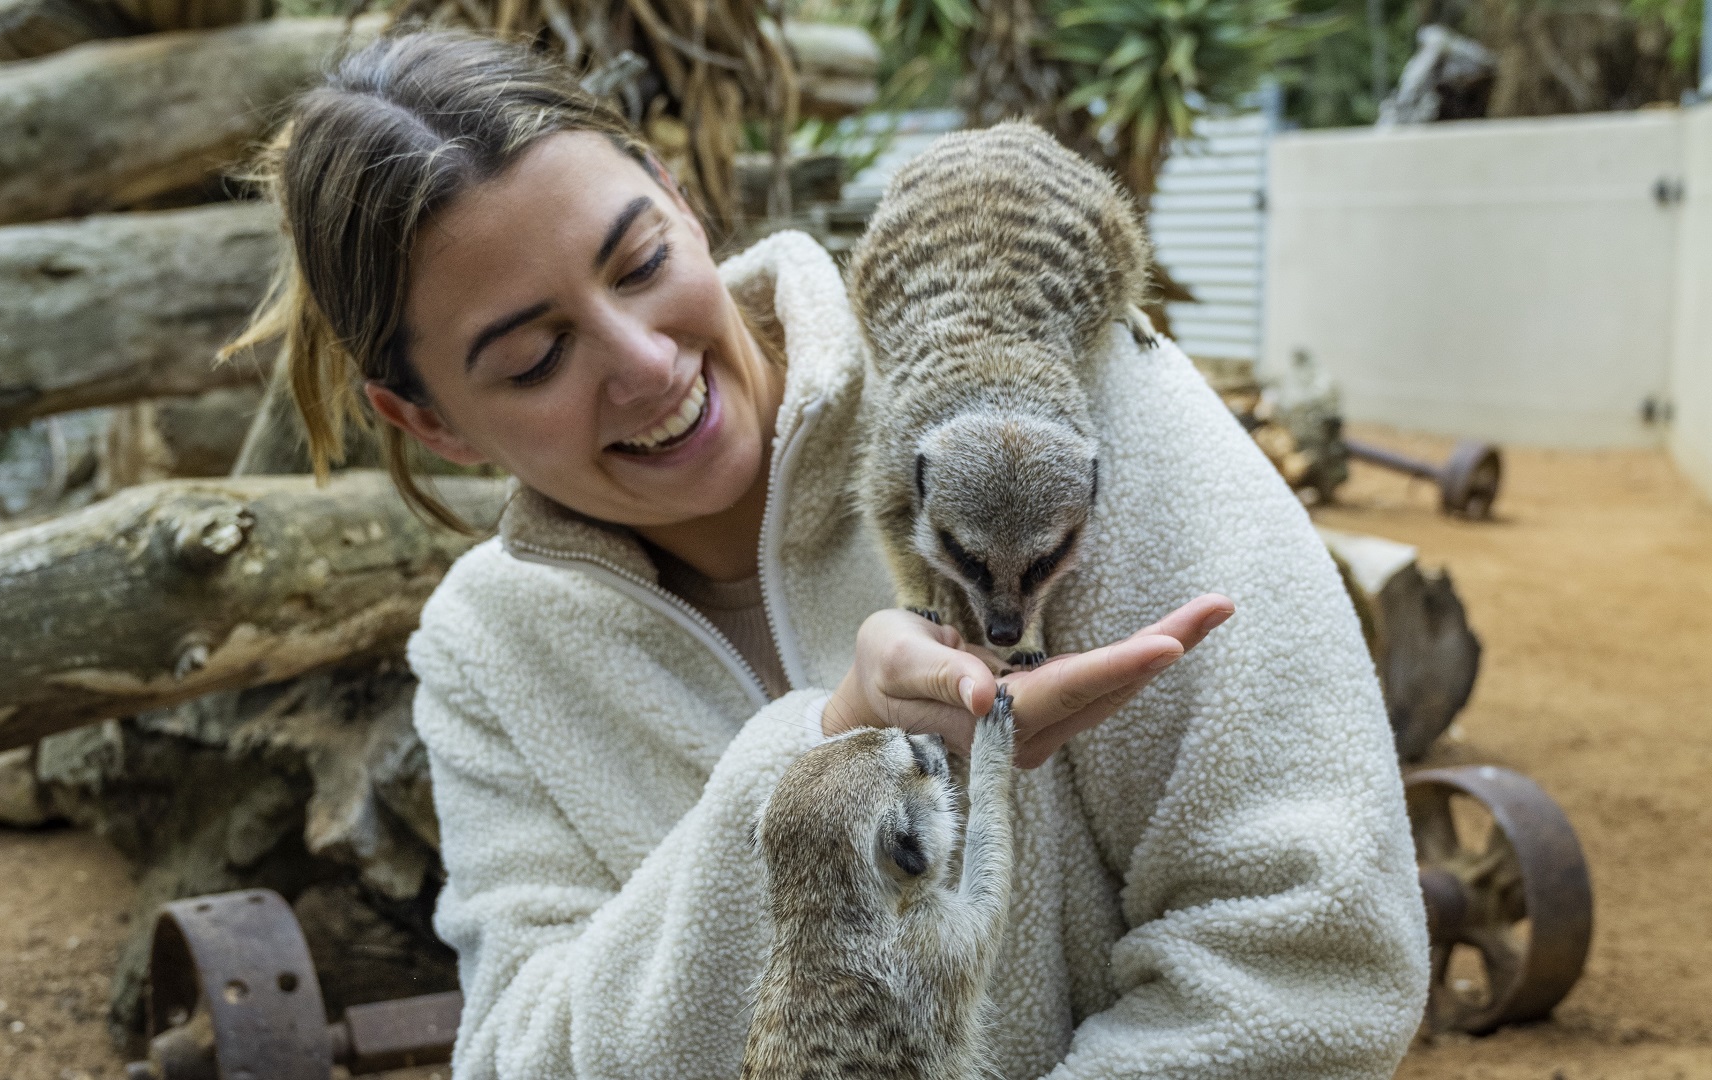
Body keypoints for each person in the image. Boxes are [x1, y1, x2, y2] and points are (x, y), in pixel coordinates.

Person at [239, 30, 1430, 1080]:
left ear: (681, 202)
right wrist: (825, 750)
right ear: (428, 422)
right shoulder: (489, 647)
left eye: (641, 264)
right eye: (535, 357)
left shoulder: (1046, 413)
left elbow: (1310, 959)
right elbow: (520, 1054)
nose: (646, 363)